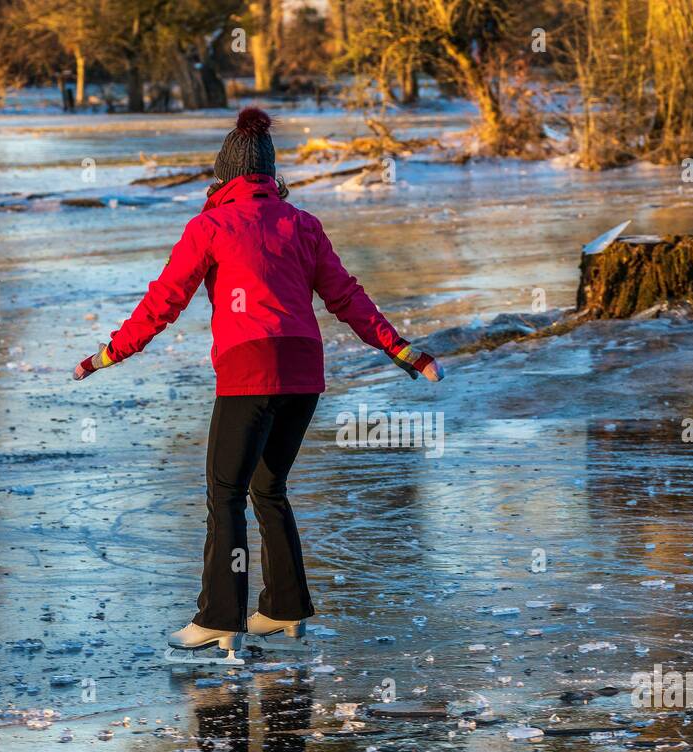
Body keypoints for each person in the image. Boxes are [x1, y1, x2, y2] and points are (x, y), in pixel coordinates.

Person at [72, 107, 443, 658]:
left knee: (225, 494)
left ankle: (221, 617)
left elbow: (163, 302)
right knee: (268, 489)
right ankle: (284, 607)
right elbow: (347, 298)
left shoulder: (211, 226)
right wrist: (404, 351)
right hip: (303, 373)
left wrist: (109, 354)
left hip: (249, 371)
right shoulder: (303, 225)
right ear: (271, 175)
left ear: (223, 175)